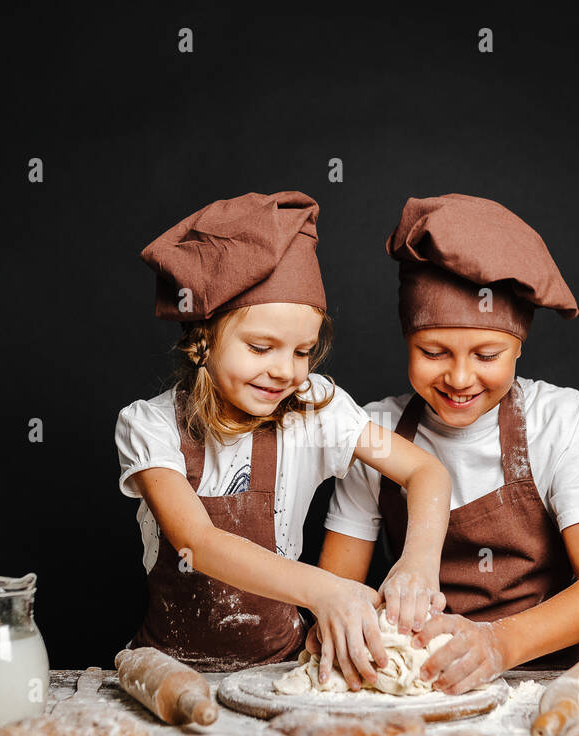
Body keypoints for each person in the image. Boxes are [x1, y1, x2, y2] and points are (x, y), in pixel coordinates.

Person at [115, 191, 450, 684]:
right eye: (260, 347)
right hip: (168, 670)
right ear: (202, 338)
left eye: (302, 351)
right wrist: (326, 590)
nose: (284, 371)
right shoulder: (150, 426)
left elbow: (425, 471)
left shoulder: (317, 411)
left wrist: (417, 563)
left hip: (281, 673)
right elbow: (198, 542)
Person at [318, 193, 579, 694]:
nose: (460, 378)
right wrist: (345, 630)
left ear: (519, 347)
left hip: (546, 681)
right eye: (433, 351)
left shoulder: (558, 420)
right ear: (406, 342)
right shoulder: (374, 432)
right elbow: (337, 588)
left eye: (487, 354)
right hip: (419, 689)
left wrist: (497, 645)